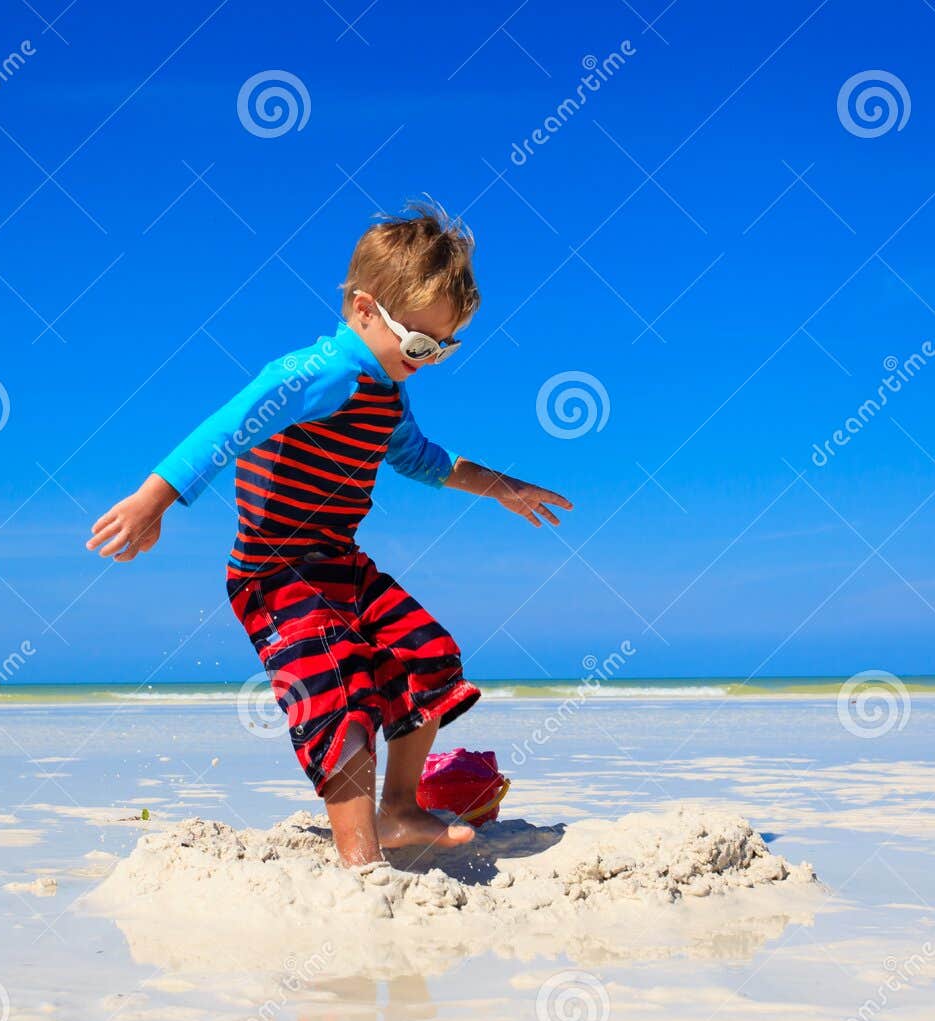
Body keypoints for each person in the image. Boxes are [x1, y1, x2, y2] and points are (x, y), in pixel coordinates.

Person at [86, 201, 572, 866]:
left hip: (341, 565)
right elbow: (226, 427)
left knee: (428, 657)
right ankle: (360, 858)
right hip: (275, 573)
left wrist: (502, 486)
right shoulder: (313, 376)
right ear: (366, 309)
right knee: (336, 694)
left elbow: (422, 460)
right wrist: (154, 498)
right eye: (421, 343)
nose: (431, 359)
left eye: (445, 346)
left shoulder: (388, 395)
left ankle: (399, 809)